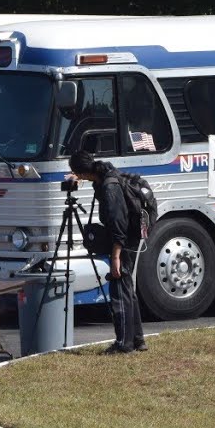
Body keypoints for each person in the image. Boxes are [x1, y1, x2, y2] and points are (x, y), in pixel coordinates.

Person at [67, 150, 146, 354]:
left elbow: (118, 224)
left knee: (118, 287)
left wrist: (116, 257)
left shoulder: (109, 187)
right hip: (130, 237)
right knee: (127, 287)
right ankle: (137, 339)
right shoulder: (105, 173)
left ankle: (124, 344)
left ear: (83, 172)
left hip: (123, 240)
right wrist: (79, 177)